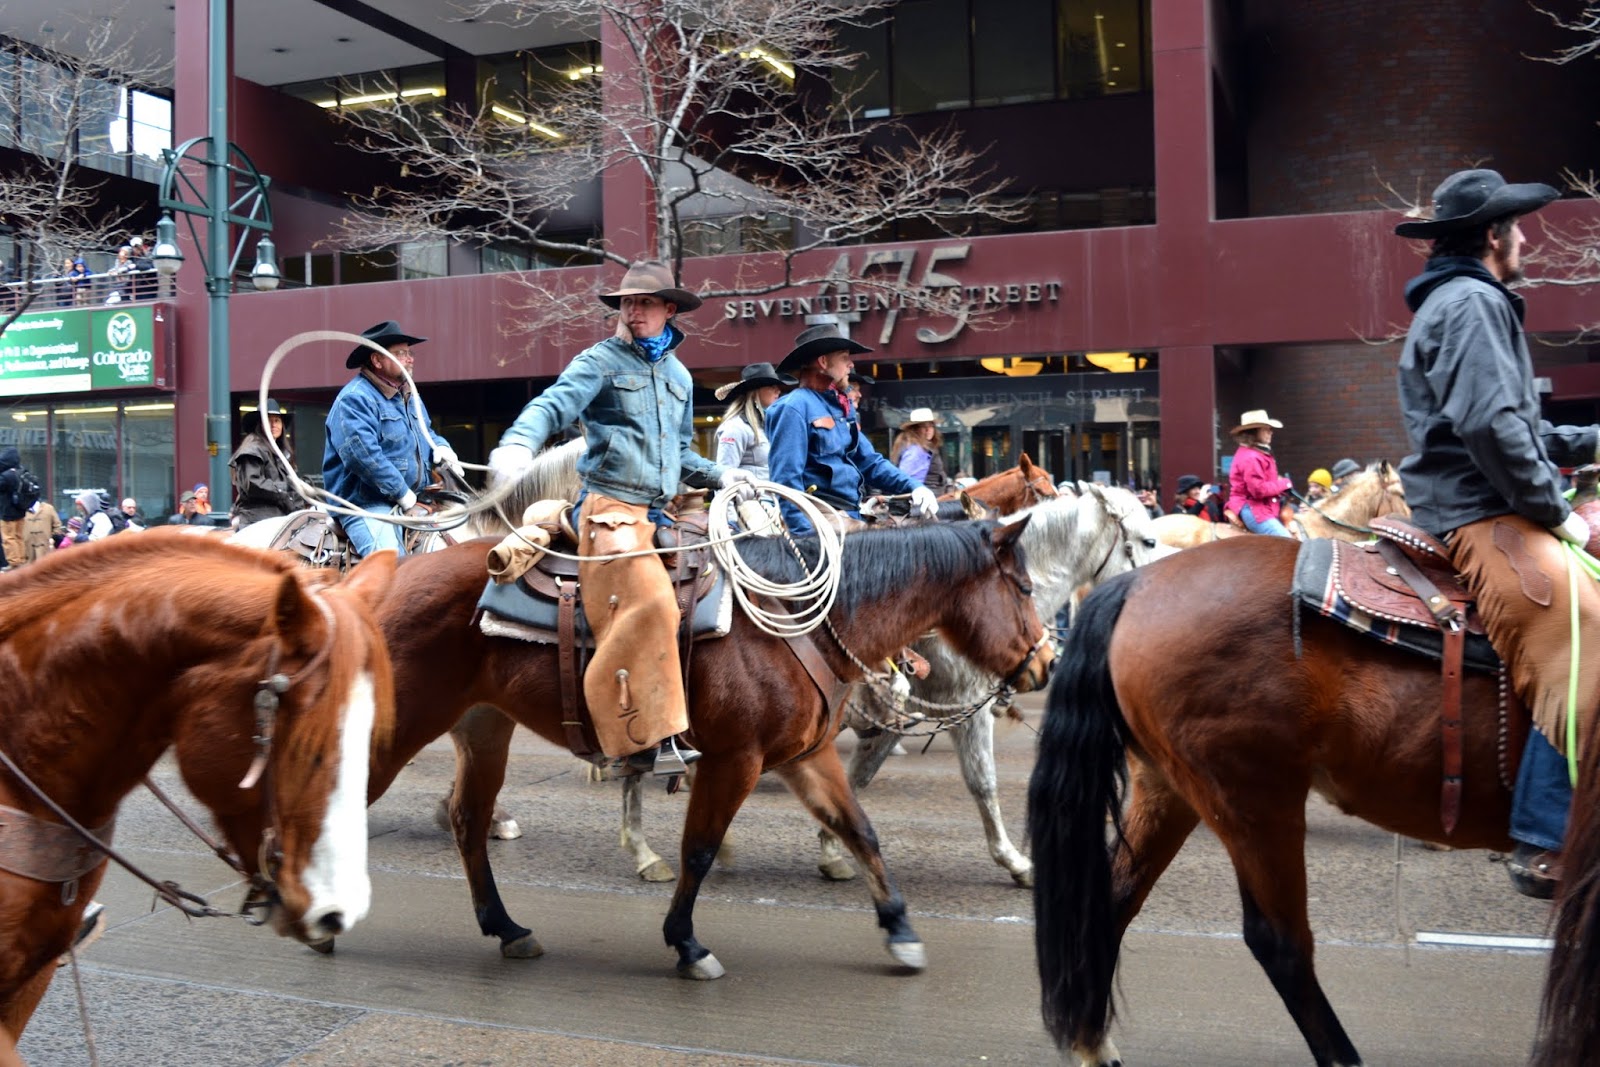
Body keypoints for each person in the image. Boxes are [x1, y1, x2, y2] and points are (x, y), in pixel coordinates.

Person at [1392, 167, 1600, 900]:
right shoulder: (1474, 303)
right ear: (1492, 235)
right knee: (1589, 642)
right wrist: (1558, 510)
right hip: (1486, 513)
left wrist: (1589, 438)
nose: (1526, 240)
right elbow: (1490, 427)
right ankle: (1546, 837)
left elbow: (1520, 424)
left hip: (1483, 499)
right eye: (1519, 227)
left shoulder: (1463, 302)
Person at [487, 261, 749, 776]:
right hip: (608, 511)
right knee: (652, 601)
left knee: (726, 580)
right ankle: (639, 736)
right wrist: (517, 445)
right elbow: (552, 405)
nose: (634, 310)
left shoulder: (677, 375)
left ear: (669, 310)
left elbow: (681, 454)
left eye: (645, 303)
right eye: (628, 302)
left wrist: (725, 478)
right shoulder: (599, 361)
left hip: (664, 512)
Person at [766, 324, 938, 533]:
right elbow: (786, 482)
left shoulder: (841, 410)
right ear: (823, 362)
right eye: (845, 357)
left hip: (849, 516)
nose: (850, 364)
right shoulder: (793, 408)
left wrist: (914, 486)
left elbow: (871, 463)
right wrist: (806, 538)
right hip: (822, 520)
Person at [323, 320, 461, 559]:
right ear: (377, 360)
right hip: (366, 506)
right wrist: (402, 493)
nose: (410, 358)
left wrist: (441, 447)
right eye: (402, 353)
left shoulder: (409, 396)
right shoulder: (355, 399)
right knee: (391, 566)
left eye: (410, 353)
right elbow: (364, 457)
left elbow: (427, 434)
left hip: (417, 500)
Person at [713, 361, 795, 479]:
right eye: (772, 386)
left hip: (773, 496)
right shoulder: (735, 428)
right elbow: (725, 475)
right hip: (751, 497)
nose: (778, 391)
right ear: (756, 391)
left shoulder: (769, 425)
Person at [230, 398, 300, 528]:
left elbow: (292, 489)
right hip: (257, 519)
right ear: (259, 424)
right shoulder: (251, 450)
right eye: (268, 420)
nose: (273, 425)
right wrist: (284, 487)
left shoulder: (282, 454)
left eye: (277, 420)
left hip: (281, 518)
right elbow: (253, 484)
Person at [1225, 409, 1294, 537]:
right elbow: (1258, 490)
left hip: (1261, 507)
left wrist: (1279, 488)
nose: (1271, 432)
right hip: (1253, 509)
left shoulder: (1256, 453)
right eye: (1266, 429)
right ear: (1254, 432)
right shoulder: (1251, 457)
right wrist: (1284, 484)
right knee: (1287, 541)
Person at [889, 408, 949, 494]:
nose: (928, 430)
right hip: (927, 499)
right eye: (923, 426)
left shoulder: (915, 446)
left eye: (931, 425)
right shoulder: (916, 450)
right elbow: (910, 481)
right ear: (914, 429)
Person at [0, 448, 26, 570]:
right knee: (18, 536)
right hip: (20, 511)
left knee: (8, 538)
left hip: (7, 513)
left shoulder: (6, 476)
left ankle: (14, 563)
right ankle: (20, 560)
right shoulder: (22, 472)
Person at [22, 497, 64, 563]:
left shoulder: (48, 509)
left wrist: (52, 539)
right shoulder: (20, 510)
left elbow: (57, 526)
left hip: (46, 550)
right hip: (27, 552)